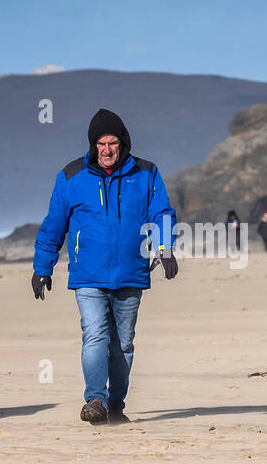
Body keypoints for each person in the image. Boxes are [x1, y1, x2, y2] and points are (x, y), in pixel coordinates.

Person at [31, 108, 177, 425]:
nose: (107, 150)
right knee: (95, 336)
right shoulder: (71, 177)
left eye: (112, 143)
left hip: (131, 274)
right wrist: (43, 267)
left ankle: (115, 404)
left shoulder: (146, 173)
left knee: (122, 345)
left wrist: (164, 248)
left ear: (122, 143)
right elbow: (54, 225)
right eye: (101, 143)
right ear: (92, 145)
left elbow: (161, 213)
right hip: (88, 276)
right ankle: (95, 399)